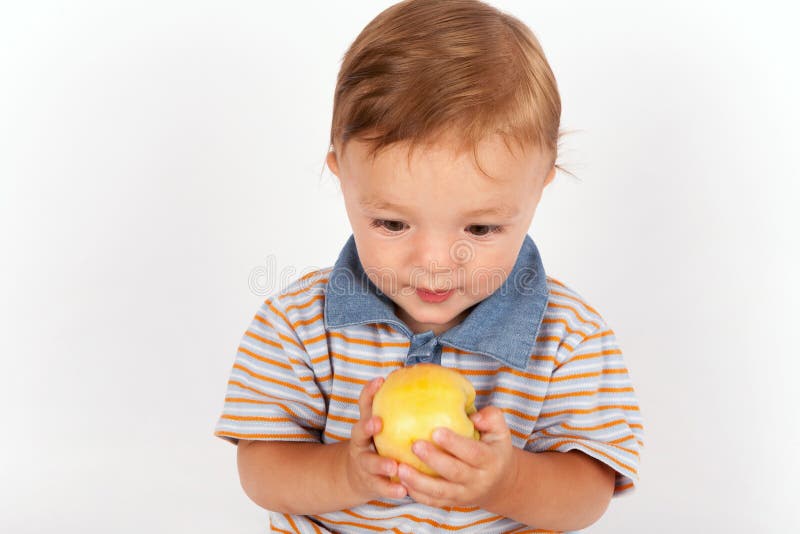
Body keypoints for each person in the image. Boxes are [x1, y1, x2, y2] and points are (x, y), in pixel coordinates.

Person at [214, 0, 644, 532]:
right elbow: (262, 472)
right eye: (393, 225)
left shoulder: (568, 338)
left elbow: (589, 493)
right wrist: (347, 472)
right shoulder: (296, 325)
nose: (435, 265)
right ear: (343, 180)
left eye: (480, 230)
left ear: (540, 188)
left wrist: (507, 480)